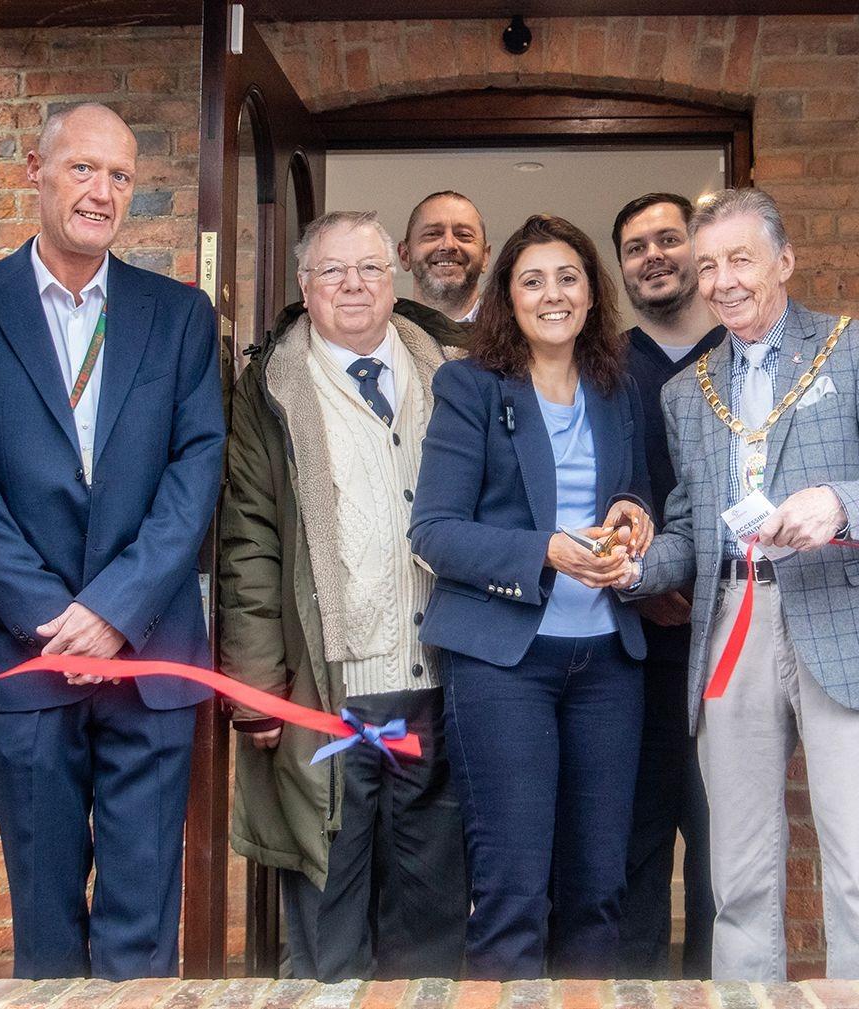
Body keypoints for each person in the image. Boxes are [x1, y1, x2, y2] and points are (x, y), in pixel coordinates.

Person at [0, 103, 224, 979]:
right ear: (34, 172)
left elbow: (196, 471)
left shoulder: (179, 314)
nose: (101, 191)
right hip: (25, 654)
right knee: (45, 925)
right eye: (83, 168)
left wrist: (116, 609)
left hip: (149, 652)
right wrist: (54, 618)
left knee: (141, 925)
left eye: (119, 175)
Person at [627, 188, 859, 982]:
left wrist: (840, 503)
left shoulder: (857, 347)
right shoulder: (685, 392)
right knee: (736, 875)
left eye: (740, 259)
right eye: (708, 265)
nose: (722, 281)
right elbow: (690, 530)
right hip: (731, 623)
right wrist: (632, 567)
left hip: (848, 616)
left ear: (783, 260)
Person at [218, 210, 467, 981]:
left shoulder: (451, 372)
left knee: (429, 911)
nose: (352, 284)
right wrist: (256, 683)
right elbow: (248, 539)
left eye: (367, 268)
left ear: (393, 278)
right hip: (326, 695)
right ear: (304, 285)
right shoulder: (271, 388)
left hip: (436, 680)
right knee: (327, 914)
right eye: (332, 270)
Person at [409, 214, 655, 980]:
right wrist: (542, 550)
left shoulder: (616, 387)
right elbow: (434, 530)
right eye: (533, 280)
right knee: (512, 891)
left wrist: (633, 512)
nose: (553, 294)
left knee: (598, 890)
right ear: (506, 298)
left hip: (608, 664)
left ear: (592, 293)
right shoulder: (469, 387)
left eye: (568, 277)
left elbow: (632, 492)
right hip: (503, 665)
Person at [611, 192, 723, 979]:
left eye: (667, 239)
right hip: (634, 647)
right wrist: (638, 586)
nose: (652, 256)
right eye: (634, 246)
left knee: (727, 846)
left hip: (735, 642)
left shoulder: (742, 352)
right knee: (635, 840)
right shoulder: (605, 367)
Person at [395, 190, 493, 337]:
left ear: (485, 257)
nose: (448, 245)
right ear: (405, 255)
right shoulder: (382, 337)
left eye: (464, 235)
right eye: (432, 234)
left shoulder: (516, 336)